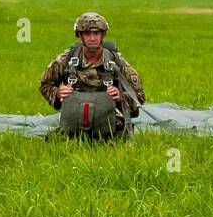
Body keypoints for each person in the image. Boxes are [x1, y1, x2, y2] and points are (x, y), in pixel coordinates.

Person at [38, 12, 146, 141]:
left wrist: (120, 97)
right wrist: (57, 93)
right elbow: (44, 84)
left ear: (103, 35)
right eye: (87, 34)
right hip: (73, 126)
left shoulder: (116, 62)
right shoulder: (67, 59)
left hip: (109, 129)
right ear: (80, 35)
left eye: (96, 33)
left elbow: (139, 97)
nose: (92, 38)